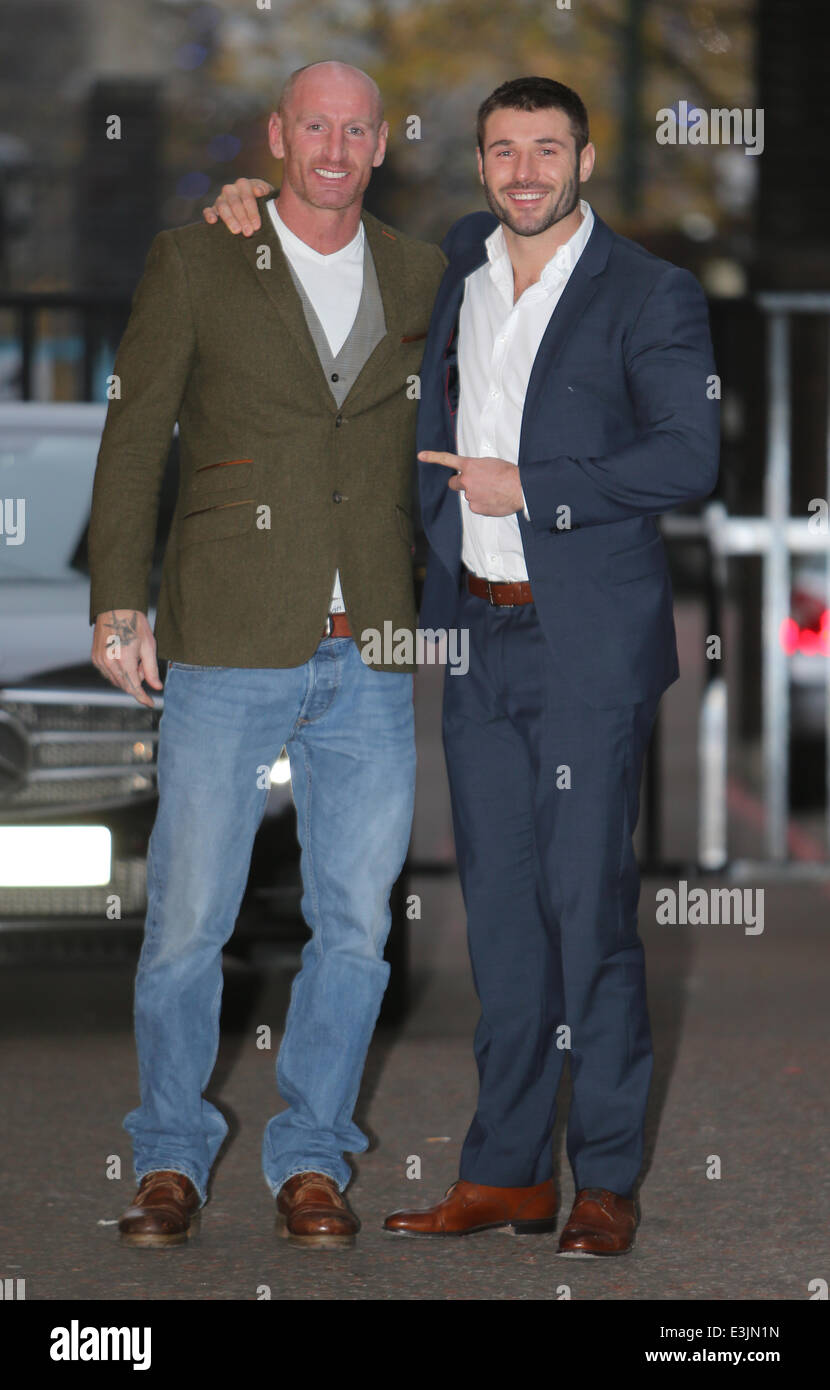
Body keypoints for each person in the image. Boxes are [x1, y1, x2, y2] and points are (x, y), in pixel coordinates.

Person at [210, 74, 720, 1258]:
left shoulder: (650, 292)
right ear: (480, 164)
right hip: (474, 639)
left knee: (585, 912)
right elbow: (324, 240)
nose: (524, 171)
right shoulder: (453, 265)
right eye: (503, 150)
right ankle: (503, 1174)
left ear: (583, 161)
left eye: (548, 150)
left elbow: (686, 453)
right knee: (496, 916)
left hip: (584, 642)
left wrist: (530, 491)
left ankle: (600, 1176)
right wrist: (251, 195)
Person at [88, 60, 445, 1250]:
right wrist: (116, 602)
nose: (335, 147)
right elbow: (136, 436)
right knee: (189, 917)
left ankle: (311, 1158)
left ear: (381, 141)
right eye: (314, 127)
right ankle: (167, 1154)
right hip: (228, 633)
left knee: (354, 922)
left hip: (374, 644)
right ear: (279, 138)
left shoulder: (421, 273)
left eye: (356, 127)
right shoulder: (197, 258)